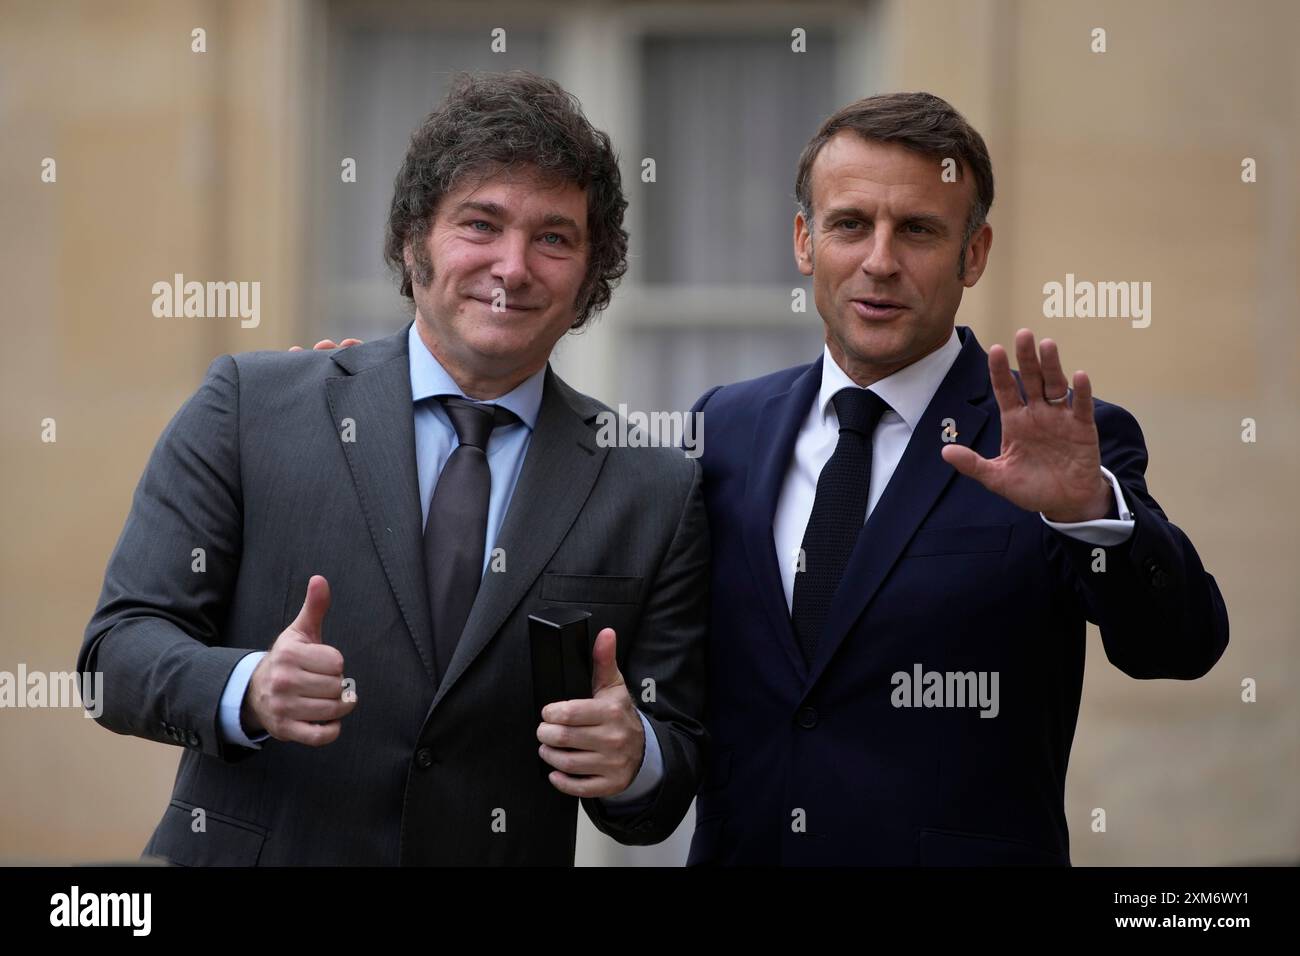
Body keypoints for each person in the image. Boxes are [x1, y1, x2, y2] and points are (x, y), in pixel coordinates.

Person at [77, 71, 708, 866]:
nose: (513, 267)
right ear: (414, 242)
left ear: (589, 275)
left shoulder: (652, 484)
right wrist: (248, 688)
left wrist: (635, 758)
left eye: (554, 237)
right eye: (481, 224)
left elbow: (668, 770)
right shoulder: (248, 406)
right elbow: (117, 655)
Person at [685, 91, 1229, 865]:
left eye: (917, 230)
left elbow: (1180, 645)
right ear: (805, 241)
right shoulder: (726, 430)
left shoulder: (1060, 442)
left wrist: (1088, 516)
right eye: (850, 224)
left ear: (973, 255)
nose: (880, 261)